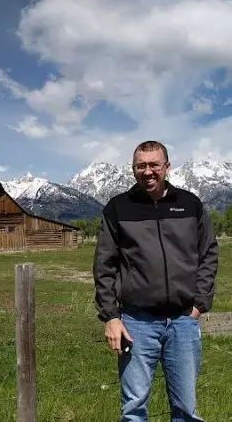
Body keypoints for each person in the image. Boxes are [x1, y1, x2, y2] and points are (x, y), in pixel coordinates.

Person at [92, 140, 218, 422]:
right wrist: (111, 317)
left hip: (183, 321)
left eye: (154, 165)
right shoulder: (118, 208)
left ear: (167, 167)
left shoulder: (189, 204)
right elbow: (104, 265)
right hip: (136, 322)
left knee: (186, 408)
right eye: (141, 165)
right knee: (134, 409)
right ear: (133, 169)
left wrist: (199, 304)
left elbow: (208, 252)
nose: (147, 171)